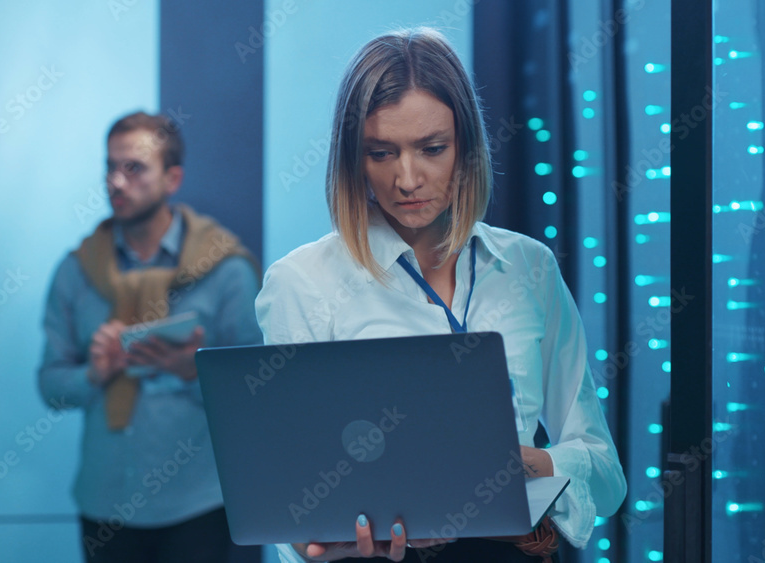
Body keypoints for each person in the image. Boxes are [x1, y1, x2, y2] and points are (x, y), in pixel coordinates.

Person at [255, 28, 627, 563]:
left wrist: (513, 464)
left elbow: (605, 474)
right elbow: (288, 509)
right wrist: (336, 542)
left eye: (432, 149)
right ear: (354, 160)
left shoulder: (529, 267)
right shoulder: (302, 283)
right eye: (381, 153)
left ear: (466, 148)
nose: (408, 179)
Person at [38, 111, 263, 562]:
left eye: (134, 168)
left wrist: (191, 371)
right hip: (105, 505)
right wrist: (94, 373)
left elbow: (258, 392)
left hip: (202, 505)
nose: (116, 182)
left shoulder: (227, 269)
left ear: (172, 178)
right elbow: (51, 387)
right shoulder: (76, 271)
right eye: (110, 168)